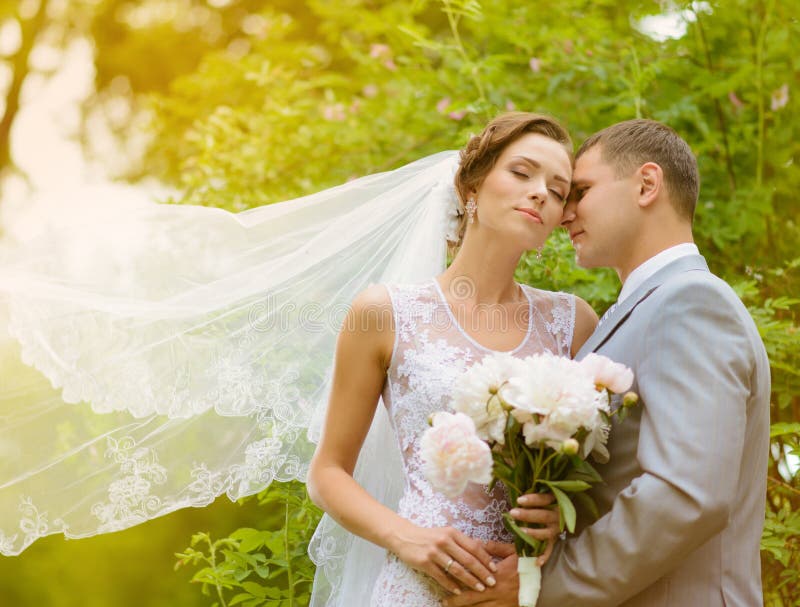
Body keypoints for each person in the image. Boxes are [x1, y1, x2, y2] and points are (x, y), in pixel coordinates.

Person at [443, 119, 770, 607]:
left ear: (646, 185)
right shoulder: (639, 311)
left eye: (579, 191)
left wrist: (538, 587)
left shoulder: (693, 302)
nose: (564, 212)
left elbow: (686, 495)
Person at [306, 112, 600, 605]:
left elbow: (603, 477)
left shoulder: (574, 323)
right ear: (472, 188)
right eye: (522, 173)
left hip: (527, 589)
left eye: (557, 188)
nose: (540, 193)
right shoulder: (384, 312)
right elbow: (328, 472)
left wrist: (555, 528)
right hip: (419, 586)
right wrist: (407, 537)